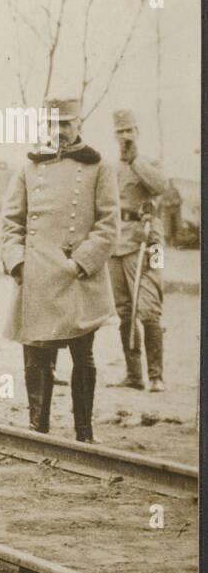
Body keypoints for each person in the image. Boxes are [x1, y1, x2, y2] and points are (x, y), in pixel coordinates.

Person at [0, 98, 119, 442]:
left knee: (83, 355)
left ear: (79, 123)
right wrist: (17, 261)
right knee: (36, 356)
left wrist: (81, 262)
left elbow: (109, 225)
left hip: (79, 278)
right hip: (36, 276)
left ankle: (84, 433)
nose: (59, 132)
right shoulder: (28, 169)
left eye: (66, 124)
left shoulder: (98, 168)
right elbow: (9, 222)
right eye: (52, 125)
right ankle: (39, 430)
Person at [106, 108, 170, 391]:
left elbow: (160, 187)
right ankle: (134, 376)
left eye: (129, 131)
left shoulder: (149, 162)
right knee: (123, 311)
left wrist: (135, 161)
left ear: (138, 133)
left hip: (150, 243)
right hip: (118, 244)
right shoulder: (111, 167)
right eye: (120, 132)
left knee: (148, 308)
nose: (125, 136)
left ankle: (156, 375)